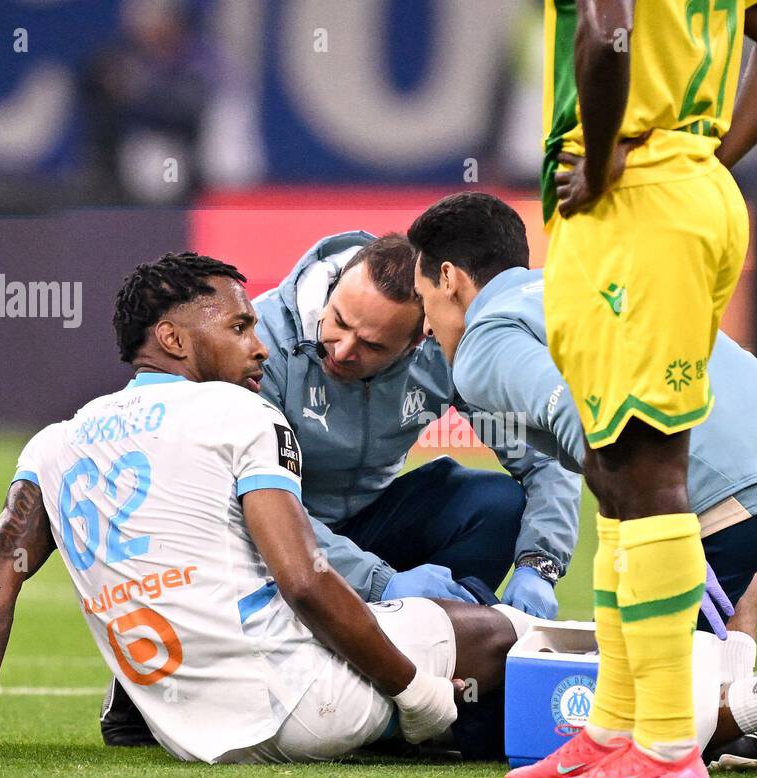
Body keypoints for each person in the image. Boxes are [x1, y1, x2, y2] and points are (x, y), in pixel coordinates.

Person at [0, 251, 757, 773]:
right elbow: (304, 574)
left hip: (197, 735)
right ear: (175, 342)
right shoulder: (235, 416)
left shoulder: (54, 441)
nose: (257, 343)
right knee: (516, 650)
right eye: (235, 326)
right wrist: (415, 682)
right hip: (310, 699)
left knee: (481, 654)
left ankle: (731, 695)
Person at [407, 191, 757, 768]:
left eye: (422, 301)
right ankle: (751, 728)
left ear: (449, 278)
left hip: (741, 507)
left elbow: (581, 417)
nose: (424, 324)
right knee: (711, 475)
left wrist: (636, 534)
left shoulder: (483, 340)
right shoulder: (578, 284)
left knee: (640, 720)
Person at [516, 0, 757, 778]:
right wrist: (703, 160)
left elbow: (607, 30)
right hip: (673, 191)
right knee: (614, 468)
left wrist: (613, 154)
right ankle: (614, 728)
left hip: (634, 200)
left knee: (649, 471)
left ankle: (663, 748)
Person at [100, 234, 580, 747]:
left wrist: (539, 568)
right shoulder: (260, 350)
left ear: (419, 338)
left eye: (372, 345)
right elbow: (245, 505)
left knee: (492, 504)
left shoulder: (448, 350)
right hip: (271, 540)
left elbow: (542, 457)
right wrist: (381, 583)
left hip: (368, 523)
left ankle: (445, 669)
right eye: (339, 322)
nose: (344, 349)